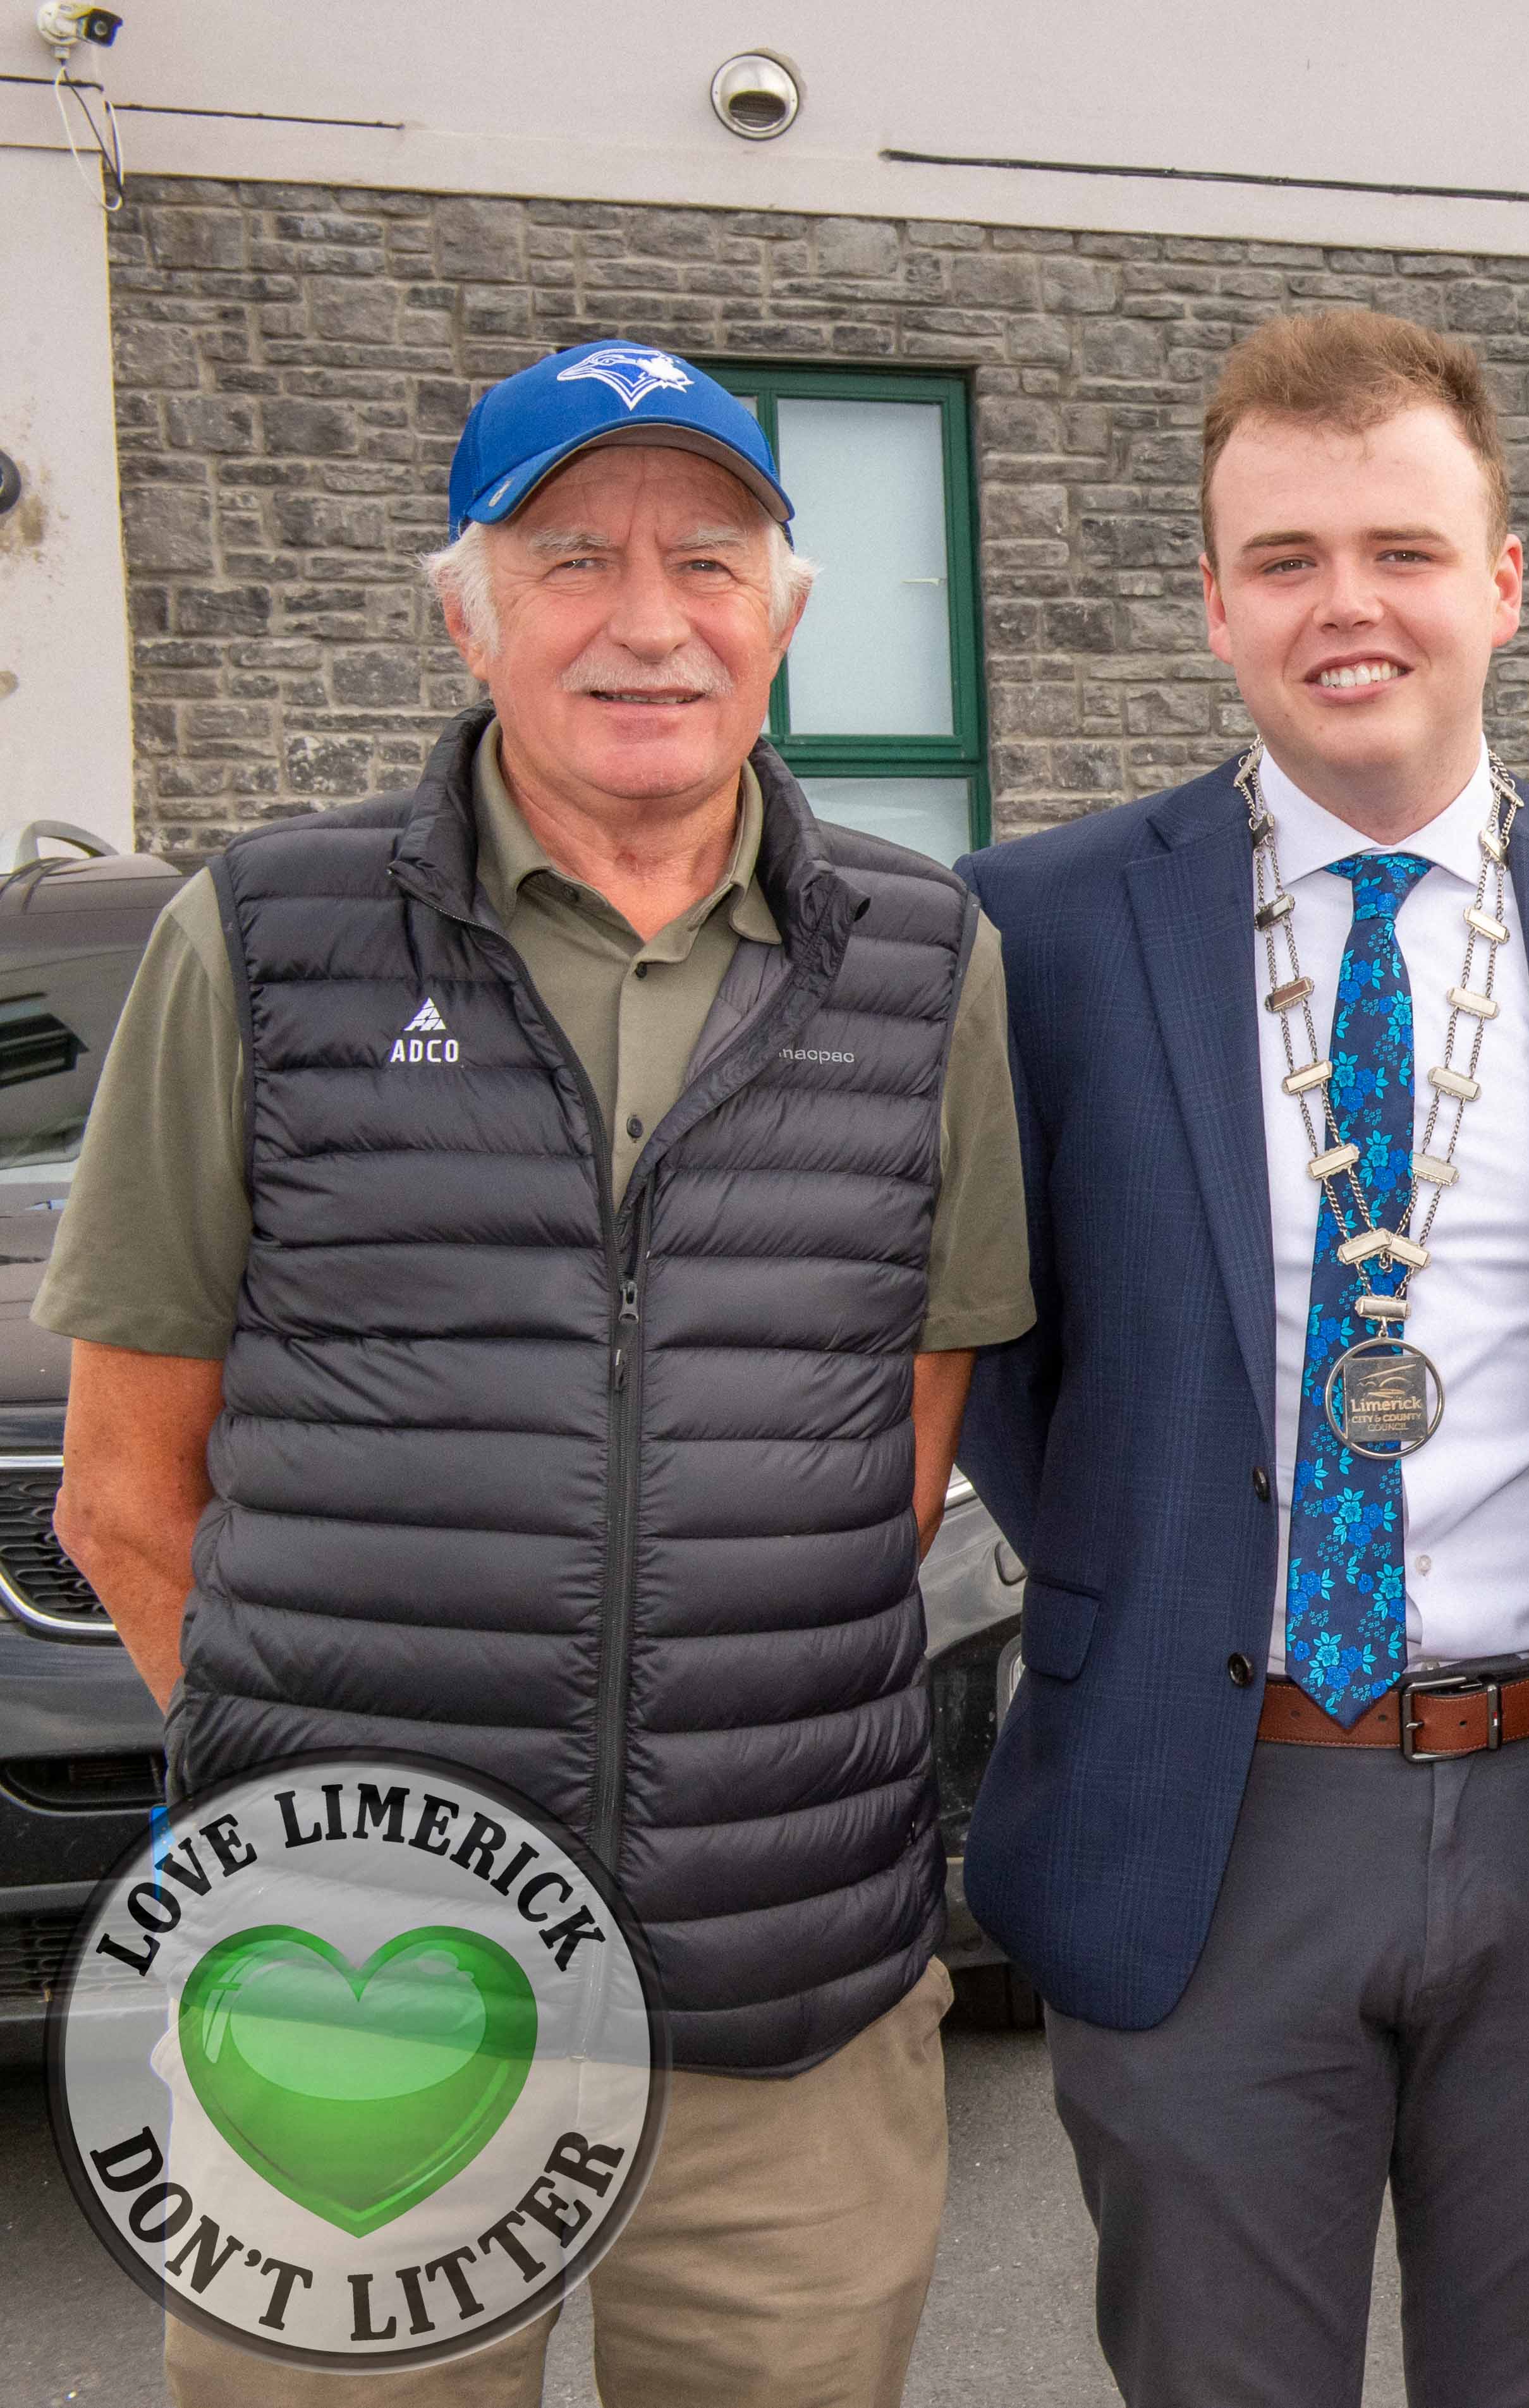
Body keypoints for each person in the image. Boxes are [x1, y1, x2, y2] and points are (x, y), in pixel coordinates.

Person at [44, 339, 1031, 2406]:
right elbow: (128, 1497)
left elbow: (893, 1468)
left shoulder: (928, 965)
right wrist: (315, 1820)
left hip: (788, 2008)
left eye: (709, 557)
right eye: (570, 557)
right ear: (466, 613)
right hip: (345, 2009)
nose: (647, 619)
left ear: (783, 613)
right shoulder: (261, 938)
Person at [953, 308, 1529, 2406]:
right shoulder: (1039, 933)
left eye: (1403, 551)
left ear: (1501, 581)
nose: (1349, 609)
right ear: (1212, 601)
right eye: (1287, 558)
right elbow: (1005, 1363)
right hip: (1206, 1804)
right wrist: (1150, 1595)